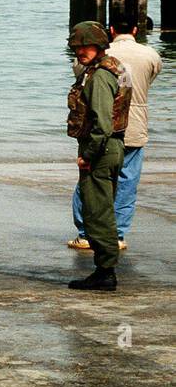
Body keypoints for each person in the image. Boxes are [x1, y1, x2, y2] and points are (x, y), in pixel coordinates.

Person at [68, 15, 161, 252]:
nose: (79, 51)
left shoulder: (94, 66)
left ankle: (85, 233)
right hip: (135, 124)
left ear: (109, 31)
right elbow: (149, 80)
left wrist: (87, 153)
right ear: (135, 29)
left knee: (89, 183)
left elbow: (86, 91)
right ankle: (117, 234)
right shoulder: (150, 55)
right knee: (127, 183)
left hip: (102, 132)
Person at [64, 21, 132, 291]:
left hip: (101, 149)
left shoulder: (101, 76)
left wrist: (88, 154)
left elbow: (102, 123)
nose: (80, 51)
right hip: (112, 147)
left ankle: (105, 272)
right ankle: (104, 270)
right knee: (100, 208)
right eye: (77, 47)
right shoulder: (114, 66)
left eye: (85, 46)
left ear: (99, 45)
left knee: (97, 212)